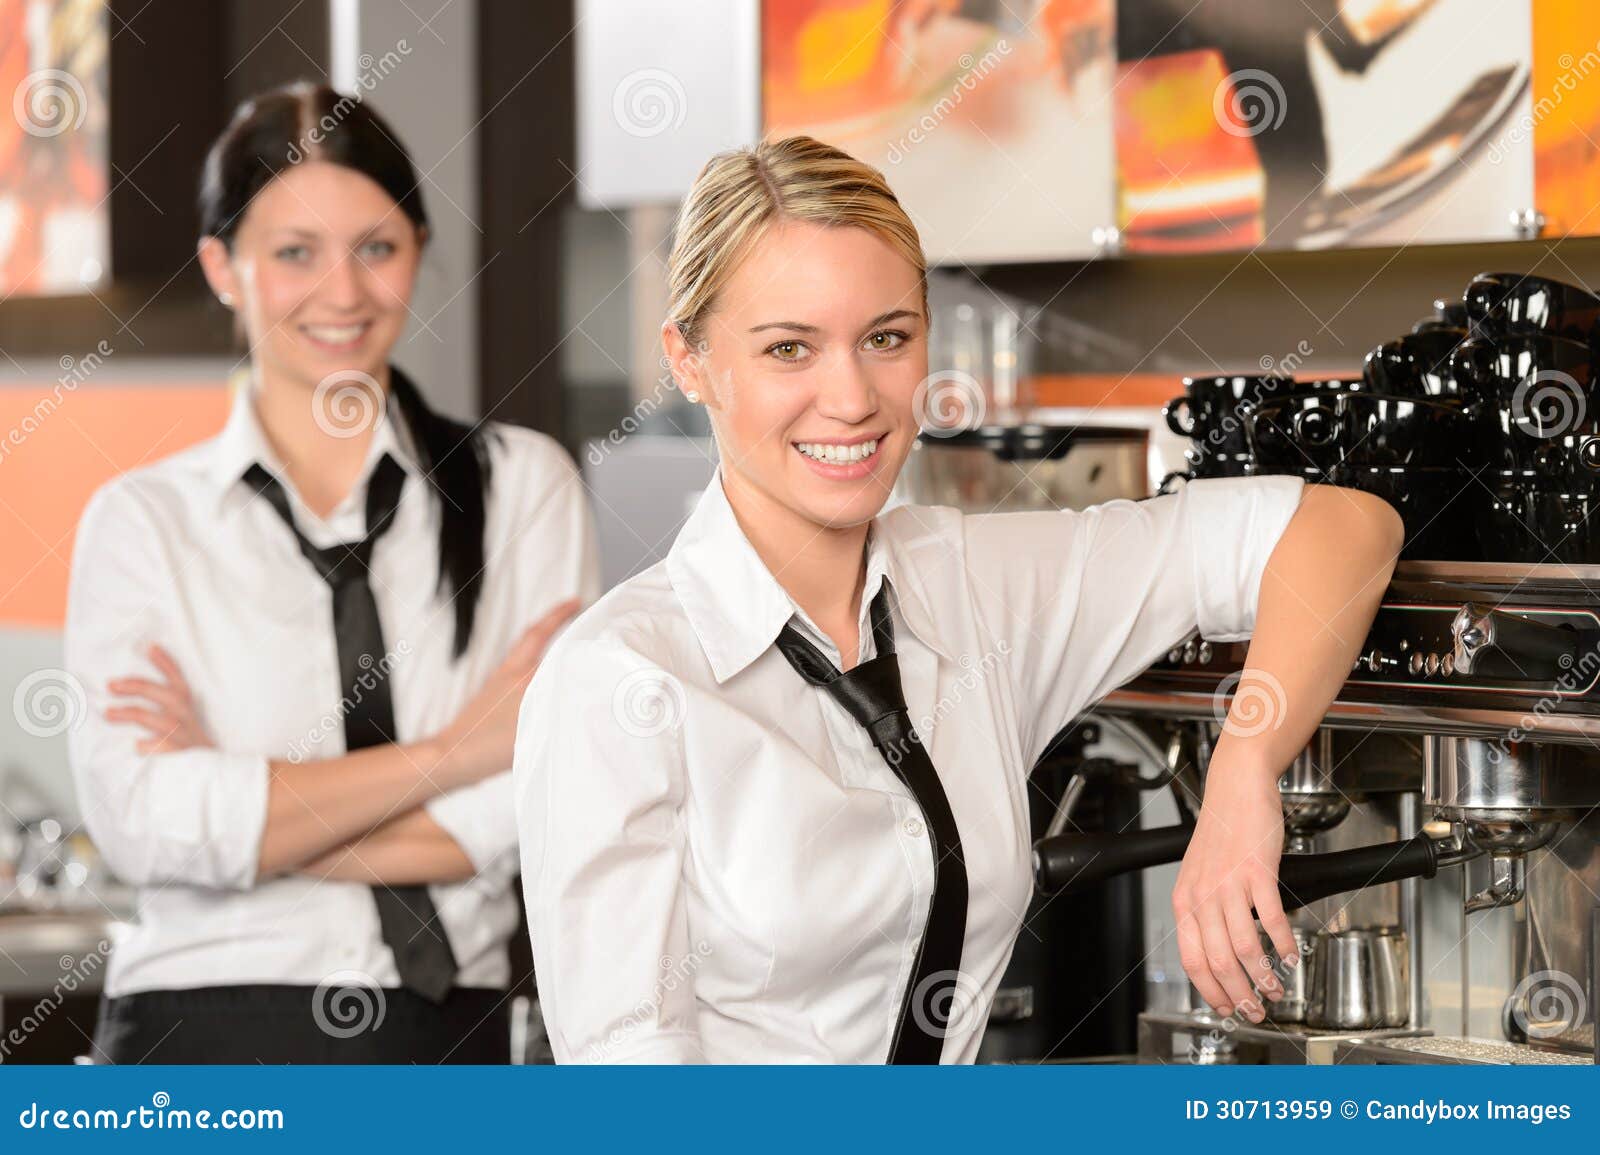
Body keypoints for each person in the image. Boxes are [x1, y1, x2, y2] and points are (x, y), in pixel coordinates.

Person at [511, 135, 1403, 1064]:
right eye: (789, 348)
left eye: (886, 338)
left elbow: (1342, 529)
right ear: (689, 361)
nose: (851, 397)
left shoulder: (974, 584)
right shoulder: (617, 682)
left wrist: (1244, 768)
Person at [64, 82, 597, 1063]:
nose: (343, 294)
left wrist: (254, 821)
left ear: (419, 251)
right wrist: (456, 751)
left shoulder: (524, 486)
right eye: (295, 253)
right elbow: (145, 829)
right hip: (192, 1032)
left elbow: (541, 802)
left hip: (444, 1035)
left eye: (377, 248)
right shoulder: (143, 522)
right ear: (223, 267)